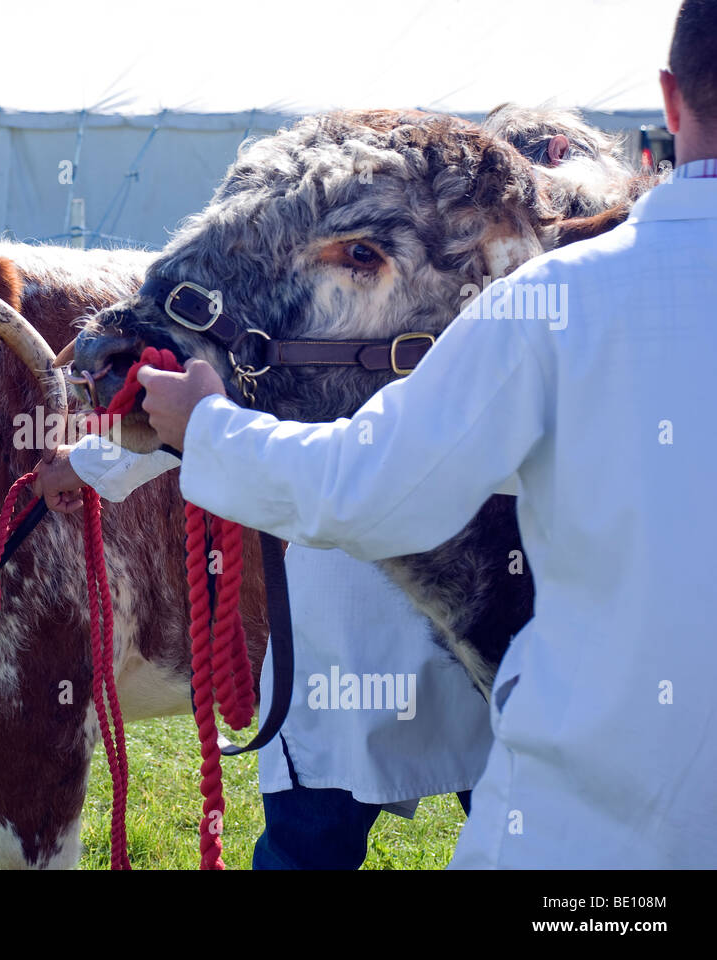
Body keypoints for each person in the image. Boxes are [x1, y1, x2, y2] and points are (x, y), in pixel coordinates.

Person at [122, 0, 717, 868]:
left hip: (589, 835)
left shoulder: (558, 304)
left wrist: (207, 428)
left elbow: (374, 488)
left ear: (668, 100)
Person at [36, 434, 490, 871]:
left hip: (351, 622)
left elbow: (216, 407)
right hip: (490, 614)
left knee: (305, 845)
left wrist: (84, 464)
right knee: (522, 829)